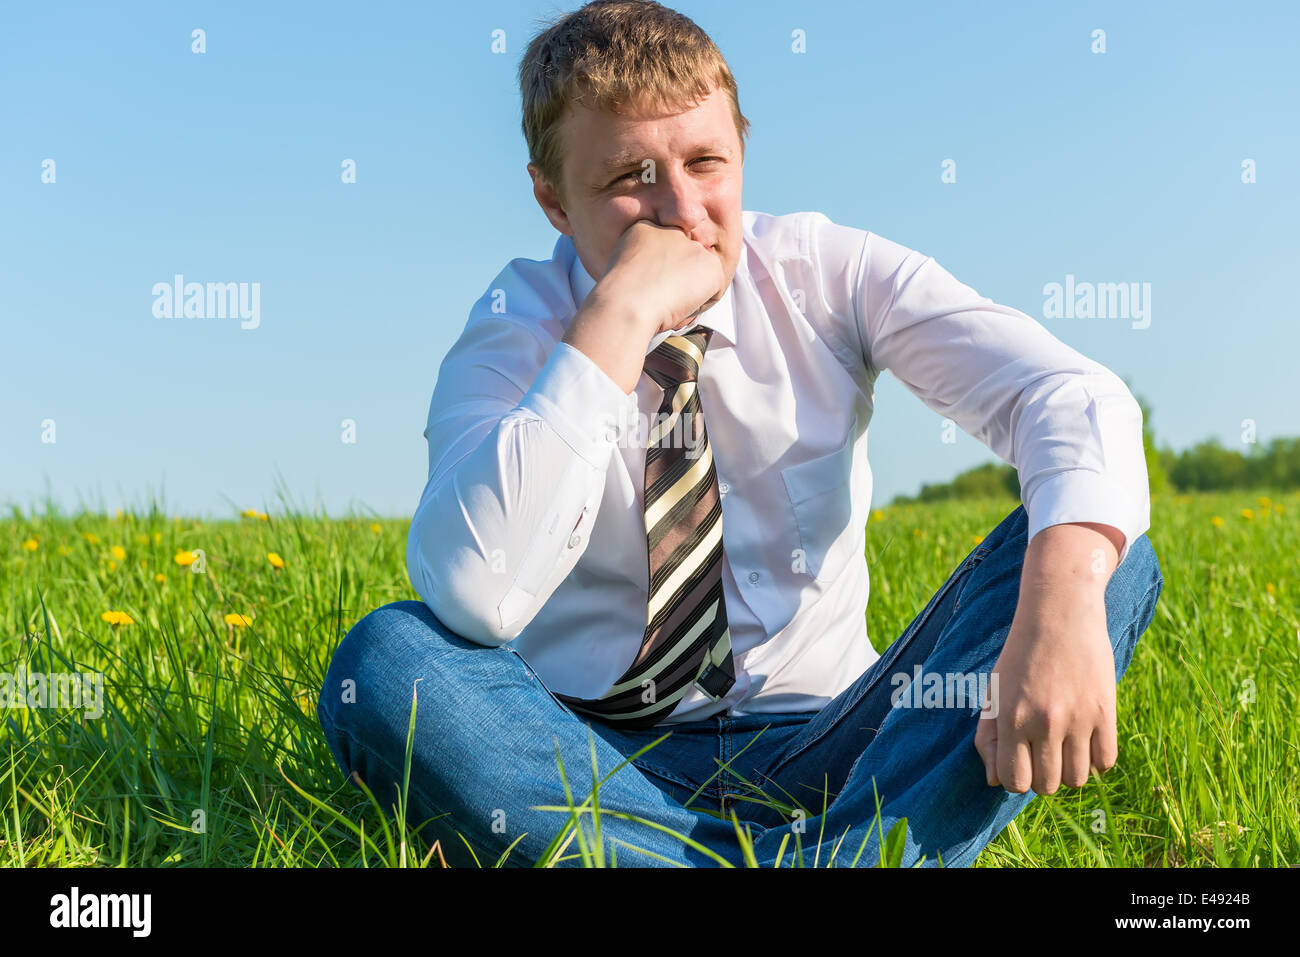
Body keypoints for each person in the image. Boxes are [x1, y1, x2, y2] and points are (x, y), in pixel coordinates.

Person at [317, 0, 1164, 867]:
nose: (683, 210)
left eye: (706, 162)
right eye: (628, 179)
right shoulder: (514, 327)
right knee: (390, 661)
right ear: (552, 200)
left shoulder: (823, 270)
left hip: (837, 741)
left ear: (743, 151)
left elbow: (1067, 393)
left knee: (1098, 550)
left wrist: (1060, 602)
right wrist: (621, 313)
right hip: (593, 756)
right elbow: (473, 590)